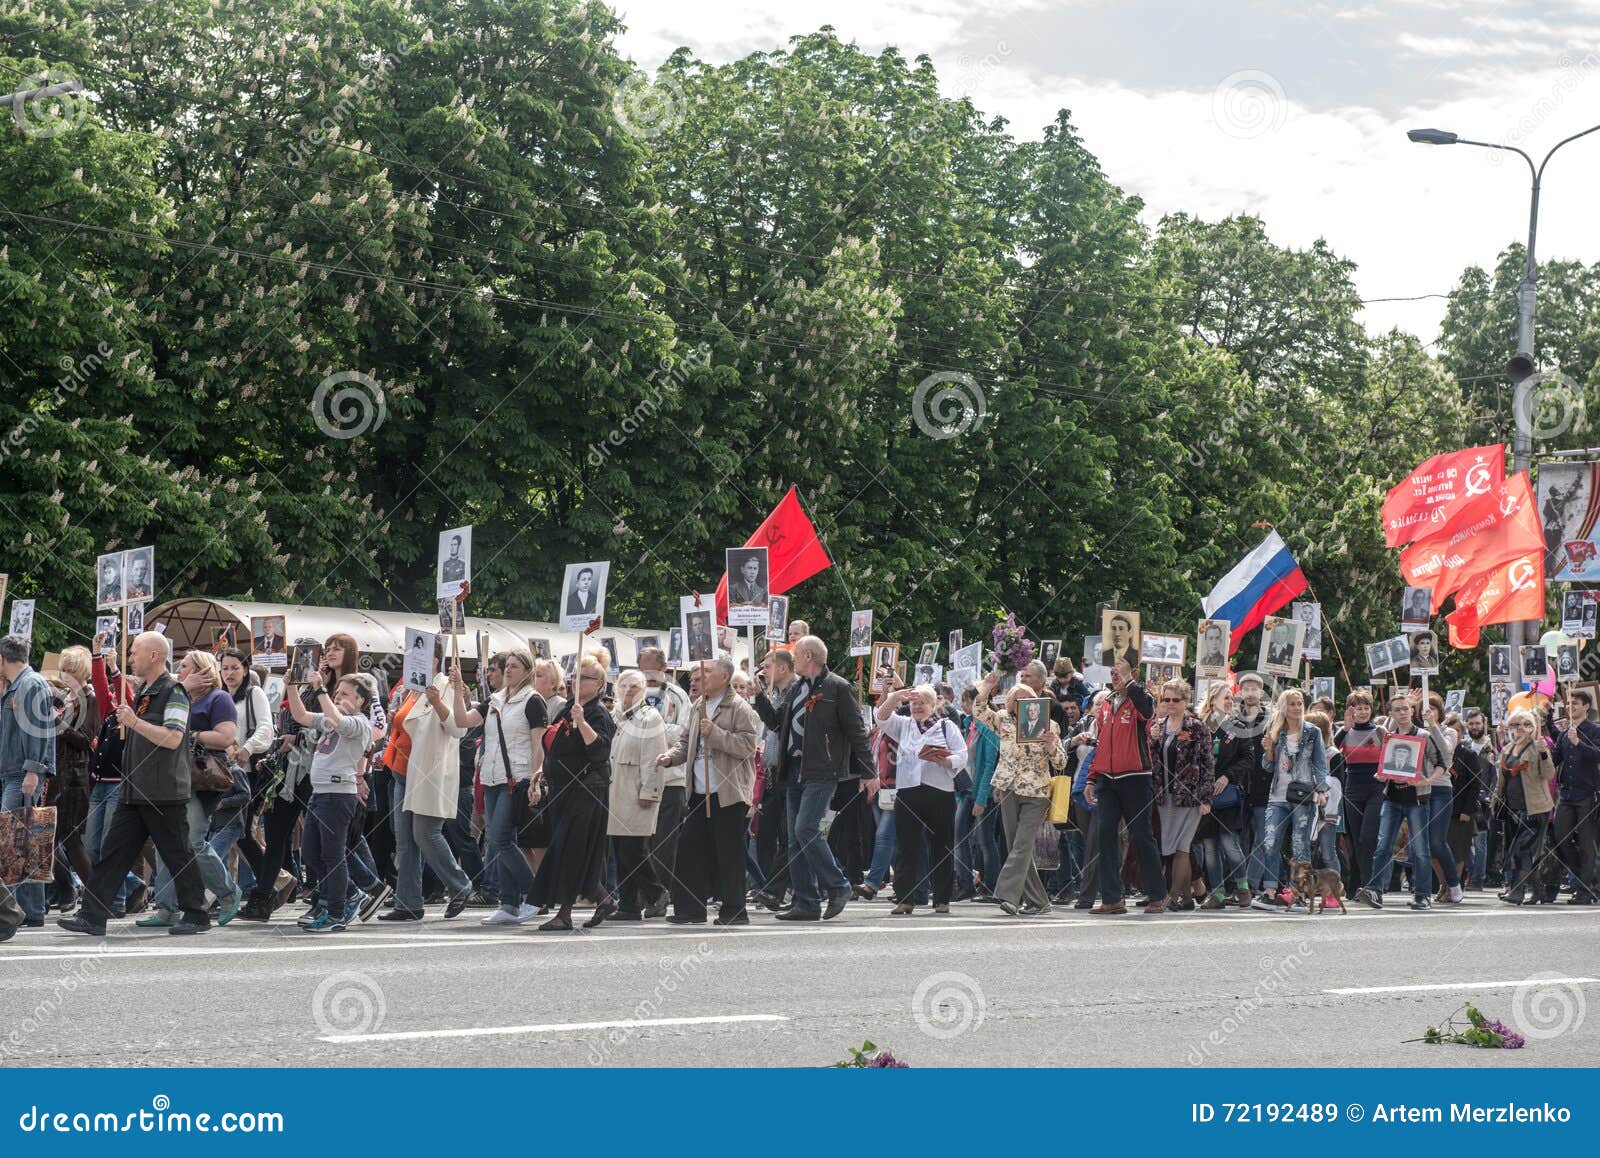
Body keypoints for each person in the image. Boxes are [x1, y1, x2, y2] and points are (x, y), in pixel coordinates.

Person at [59, 632, 211, 937]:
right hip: (136, 789)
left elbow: (173, 738)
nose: (131, 658)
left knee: (177, 853)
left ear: (154, 655)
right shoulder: (145, 692)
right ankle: (92, 915)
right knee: (114, 852)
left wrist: (135, 723)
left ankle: (197, 914)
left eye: (135, 652)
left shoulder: (174, 692)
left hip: (162, 791)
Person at [765, 635, 872, 922]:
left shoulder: (838, 687)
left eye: (796, 655)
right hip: (794, 771)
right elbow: (777, 723)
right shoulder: (798, 688)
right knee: (795, 839)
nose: (793, 659)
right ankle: (807, 901)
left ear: (808, 656)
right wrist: (757, 698)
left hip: (823, 771)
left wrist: (868, 771)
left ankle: (838, 886)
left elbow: (856, 731)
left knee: (805, 829)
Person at [656, 655, 760, 925]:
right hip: (700, 793)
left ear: (724, 677)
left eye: (707, 672)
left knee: (729, 853)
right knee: (690, 850)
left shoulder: (739, 707)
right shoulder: (697, 706)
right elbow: (685, 741)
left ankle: (734, 910)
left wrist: (715, 734)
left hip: (727, 792)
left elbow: (748, 745)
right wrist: (670, 757)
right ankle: (690, 909)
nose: (698, 677)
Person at [143, 649, 242, 928]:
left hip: (202, 779)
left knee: (194, 842)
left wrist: (188, 735)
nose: (179, 670)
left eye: (184, 666)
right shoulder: (180, 695)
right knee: (166, 842)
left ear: (201, 670)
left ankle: (227, 893)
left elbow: (226, 737)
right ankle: (167, 907)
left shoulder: (218, 698)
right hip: (174, 775)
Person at [450, 650, 549, 925]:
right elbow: (462, 720)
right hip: (491, 778)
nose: (508, 670)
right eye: (507, 666)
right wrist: (458, 689)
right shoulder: (494, 700)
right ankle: (509, 903)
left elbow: (538, 745)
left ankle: (535, 895)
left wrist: (535, 778)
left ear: (527, 672)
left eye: (515, 667)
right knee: (501, 840)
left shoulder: (532, 701)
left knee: (500, 839)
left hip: (515, 779)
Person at [283, 667, 373, 932]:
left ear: (360, 701)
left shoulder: (359, 723)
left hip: (338, 795)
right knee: (312, 853)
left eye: (345, 694)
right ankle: (350, 894)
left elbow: (337, 719)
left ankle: (336, 912)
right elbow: (301, 715)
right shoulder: (332, 717)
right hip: (320, 793)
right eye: (337, 693)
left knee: (333, 855)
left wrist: (321, 689)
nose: (337, 697)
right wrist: (291, 686)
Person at [531, 656, 616, 931]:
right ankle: (603, 898)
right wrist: (542, 771)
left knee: (571, 849)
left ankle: (565, 913)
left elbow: (601, 749)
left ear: (599, 684)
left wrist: (583, 721)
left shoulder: (597, 713)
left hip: (586, 791)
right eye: (575, 675)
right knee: (570, 848)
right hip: (563, 790)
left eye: (585, 677)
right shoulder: (567, 709)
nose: (576, 680)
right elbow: (553, 744)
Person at [975, 672, 1067, 917]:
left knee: (1022, 845)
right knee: (1019, 848)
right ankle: (1040, 902)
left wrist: (1051, 745)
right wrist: (987, 686)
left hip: (1037, 792)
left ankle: (1007, 896)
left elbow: (1060, 761)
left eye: (1029, 699)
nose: (1024, 704)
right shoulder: (1003, 719)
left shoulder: (1050, 725)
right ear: (1010, 703)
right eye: (1018, 699)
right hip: (1008, 789)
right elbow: (979, 711)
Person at [874, 683, 969, 915]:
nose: (917, 707)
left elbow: (962, 754)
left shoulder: (946, 726)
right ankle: (906, 898)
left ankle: (942, 899)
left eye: (923, 703)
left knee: (942, 846)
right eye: (914, 703)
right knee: (907, 847)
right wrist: (896, 696)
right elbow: (881, 718)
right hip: (909, 791)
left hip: (940, 791)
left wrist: (946, 761)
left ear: (933, 705)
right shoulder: (904, 725)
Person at [390, 671, 473, 921]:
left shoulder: (446, 685)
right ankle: (408, 903)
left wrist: (437, 702)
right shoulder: (411, 688)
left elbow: (458, 729)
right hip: (403, 770)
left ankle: (460, 885)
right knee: (404, 840)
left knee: (425, 833)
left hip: (429, 772)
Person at [1084, 657, 1164, 915]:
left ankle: (1157, 895)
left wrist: (1130, 683)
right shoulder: (1106, 703)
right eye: (1112, 669)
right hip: (1108, 779)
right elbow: (1102, 744)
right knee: (1105, 835)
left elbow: (1148, 711)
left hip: (1136, 777)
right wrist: (1091, 778)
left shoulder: (1141, 698)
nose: (1114, 673)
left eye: (1120, 669)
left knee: (1141, 835)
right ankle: (1112, 898)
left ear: (1133, 673)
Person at [1355, 695, 1444, 910]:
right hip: (1392, 797)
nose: (1402, 713)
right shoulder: (1388, 737)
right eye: (1397, 710)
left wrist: (1428, 780)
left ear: (1412, 711)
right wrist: (1382, 776)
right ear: (1391, 714)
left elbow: (1441, 762)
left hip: (1417, 798)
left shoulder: (1423, 735)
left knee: (1420, 849)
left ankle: (1422, 895)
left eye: (1406, 709)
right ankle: (1376, 890)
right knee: (1383, 846)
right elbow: (1384, 766)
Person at [1249, 689, 1329, 912]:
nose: (1297, 707)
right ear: (1284, 707)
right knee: (1270, 842)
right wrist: (1267, 752)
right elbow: (1267, 767)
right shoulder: (1275, 731)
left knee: (1299, 845)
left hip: (1302, 796)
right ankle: (1270, 892)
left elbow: (1321, 764)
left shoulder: (1312, 732)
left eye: (1300, 703)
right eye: (1292, 704)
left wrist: (1321, 791)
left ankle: (1300, 894)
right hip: (1277, 796)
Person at [0, 634, 55, 928]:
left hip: (21, 775)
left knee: (10, 842)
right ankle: (32, 910)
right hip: (15, 773)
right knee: (27, 842)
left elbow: (37, 731)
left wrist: (34, 770)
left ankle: (12, 912)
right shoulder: (18, 686)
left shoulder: (29, 685)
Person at [213, 648, 273, 909]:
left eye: (235, 667)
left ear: (246, 669)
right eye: (225, 668)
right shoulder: (221, 696)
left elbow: (266, 727)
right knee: (236, 834)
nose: (229, 673)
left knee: (241, 833)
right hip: (223, 773)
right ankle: (271, 884)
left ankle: (269, 885)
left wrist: (246, 749)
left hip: (248, 774)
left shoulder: (253, 694)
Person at [608, 670, 668, 919]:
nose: (629, 689)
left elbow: (653, 758)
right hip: (616, 792)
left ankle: (657, 894)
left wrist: (650, 791)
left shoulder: (650, 717)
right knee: (621, 849)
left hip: (636, 793)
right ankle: (628, 904)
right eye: (624, 685)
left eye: (635, 686)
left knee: (633, 850)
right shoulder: (616, 717)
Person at [1151, 678, 1212, 911]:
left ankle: (1172, 896)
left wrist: (1206, 798)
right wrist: (1153, 739)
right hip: (1164, 796)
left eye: (1176, 700)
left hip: (1189, 797)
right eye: (1166, 699)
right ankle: (1186, 898)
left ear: (1186, 701)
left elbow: (1207, 763)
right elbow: (1153, 760)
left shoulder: (1196, 727)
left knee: (1182, 847)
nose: (1170, 704)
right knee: (1169, 847)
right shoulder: (1159, 725)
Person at [49, 647, 97, 914]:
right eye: (63, 669)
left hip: (77, 775)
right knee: (52, 838)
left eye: (69, 670)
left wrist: (59, 723)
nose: (64, 675)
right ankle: (69, 887)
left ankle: (90, 894)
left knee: (70, 837)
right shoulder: (66, 698)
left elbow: (86, 740)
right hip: (58, 773)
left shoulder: (89, 698)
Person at [1494, 709, 1558, 905]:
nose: (1519, 728)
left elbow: (1549, 774)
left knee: (1523, 851)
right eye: (1514, 725)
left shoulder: (1537, 746)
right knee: (1523, 852)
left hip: (1535, 809)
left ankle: (1517, 891)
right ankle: (1538, 891)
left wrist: (1544, 753)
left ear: (1532, 728)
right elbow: (1502, 780)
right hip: (1512, 809)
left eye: (1524, 724)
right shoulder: (1507, 749)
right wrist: (1496, 801)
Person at [1195, 682, 1247, 910]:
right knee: (1210, 848)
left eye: (1230, 698)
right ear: (1211, 700)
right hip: (1204, 797)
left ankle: (1242, 887)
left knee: (1230, 845)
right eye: (1224, 697)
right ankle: (1216, 894)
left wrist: (1227, 776)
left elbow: (1247, 759)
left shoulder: (1237, 727)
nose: (1228, 702)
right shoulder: (1199, 727)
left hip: (1227, 797)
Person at [1333, 689, 1385, 896]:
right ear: (1350, 710)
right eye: (1358, 708)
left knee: (1368, 837)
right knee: (1354, 841)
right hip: (1352, 787)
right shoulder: (1344, 731)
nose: (1363, 712)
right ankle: (1355, 885)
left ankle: (1371, 885)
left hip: (1376, 787)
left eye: (1366, 708)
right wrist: (1345, 729)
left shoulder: (1380, 731)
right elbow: (1331, 749)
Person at [1551, 687, 1600, 904]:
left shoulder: (1594, 730)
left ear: (1586, 707)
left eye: (1575, 703)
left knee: (1587, 842)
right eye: (1568, 704)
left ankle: (1585, 890)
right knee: (1562, 838)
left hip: (1587, 793)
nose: (1570, 707)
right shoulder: (1564, 732)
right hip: (1566, 794)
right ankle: (1586, 880)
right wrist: (1544, 750)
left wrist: (1579, 743)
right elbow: (1555, 760)